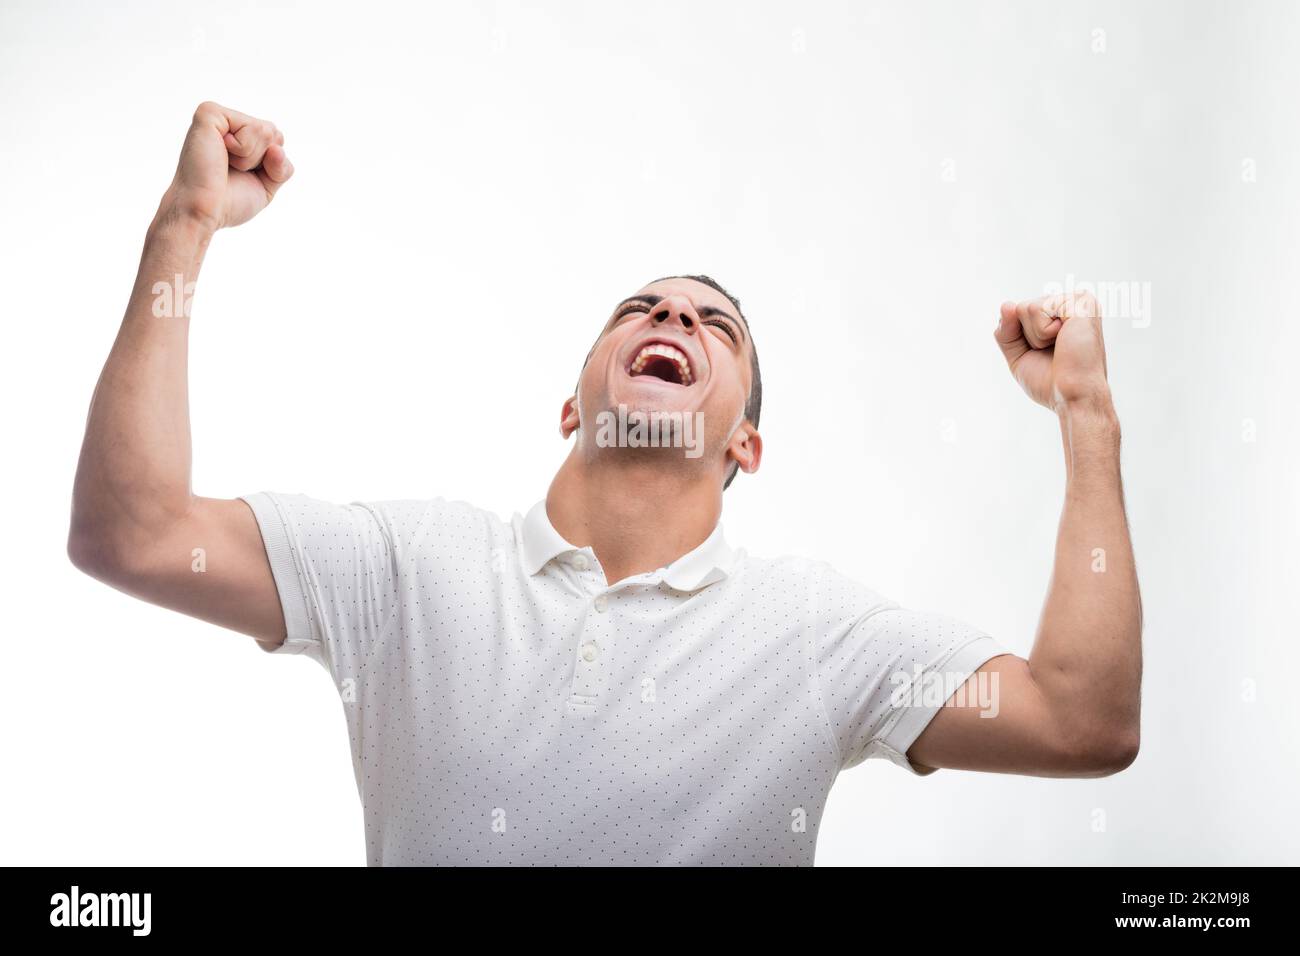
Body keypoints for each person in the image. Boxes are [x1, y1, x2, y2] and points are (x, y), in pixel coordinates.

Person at [68, 102, 1143, 866]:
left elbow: (1080, 722)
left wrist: (1087, 420)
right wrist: (185, 227)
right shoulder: (406, 567)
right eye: (643, 310)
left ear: (746, 447)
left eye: (713, 325)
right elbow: (134, 531)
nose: (673, 319)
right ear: (573, 405)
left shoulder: (814, 635)